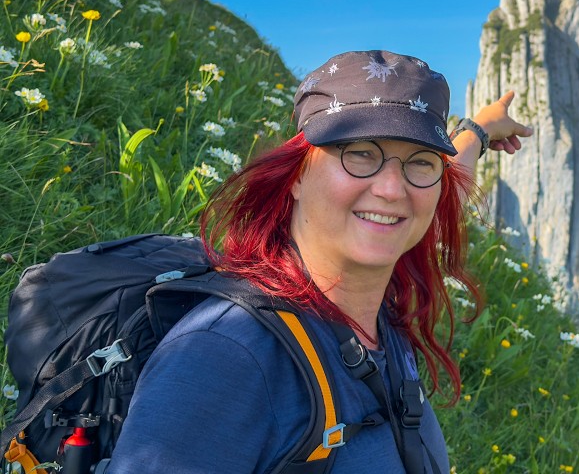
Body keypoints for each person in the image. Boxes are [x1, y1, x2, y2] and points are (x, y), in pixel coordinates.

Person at [105, 49, 533, 473]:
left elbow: (438, 193)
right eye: (360, 153)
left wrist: (478, 129)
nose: (392, 189)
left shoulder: (377, 303)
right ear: (296, 176)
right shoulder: (226, 355)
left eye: (419, 161)